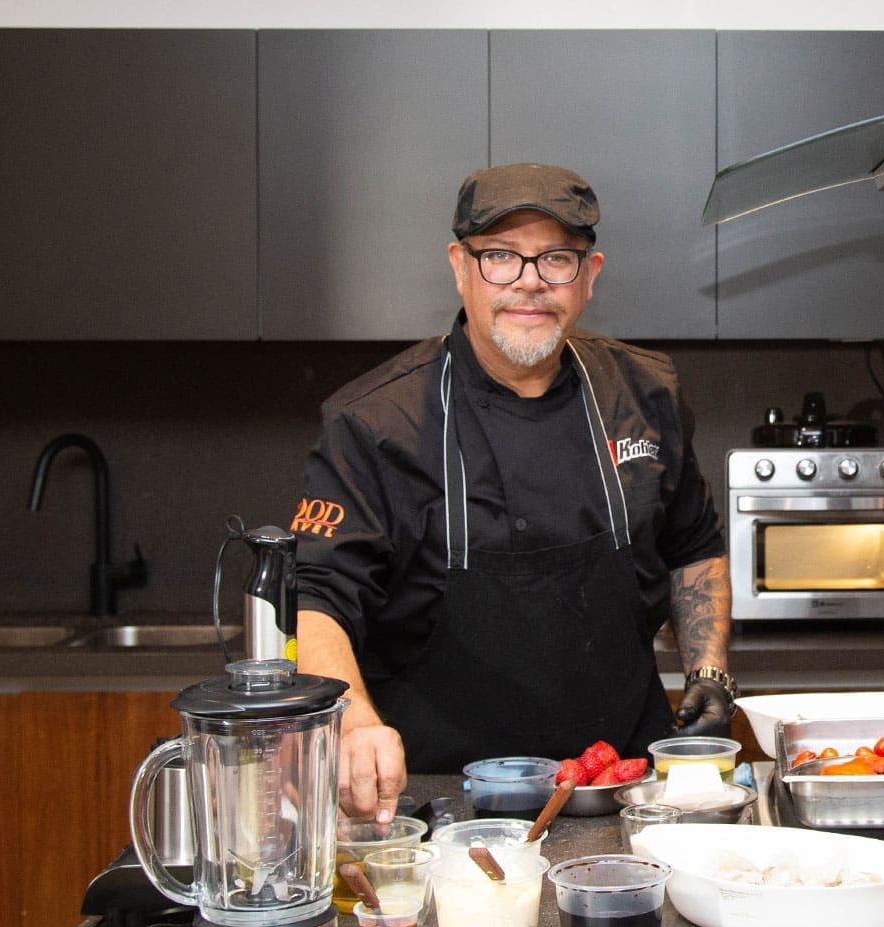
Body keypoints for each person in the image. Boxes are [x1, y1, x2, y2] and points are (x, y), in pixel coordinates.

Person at [292, 163, 734, 823]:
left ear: (590, 274)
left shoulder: (647, 393)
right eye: (500, 256)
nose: (529, 281)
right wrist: (353, 725)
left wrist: (708, 672)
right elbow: (318, 599)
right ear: (459, 266)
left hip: (622, 791)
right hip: (441, 802)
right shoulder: (377, 422)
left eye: (556, 258)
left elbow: (693, 542)